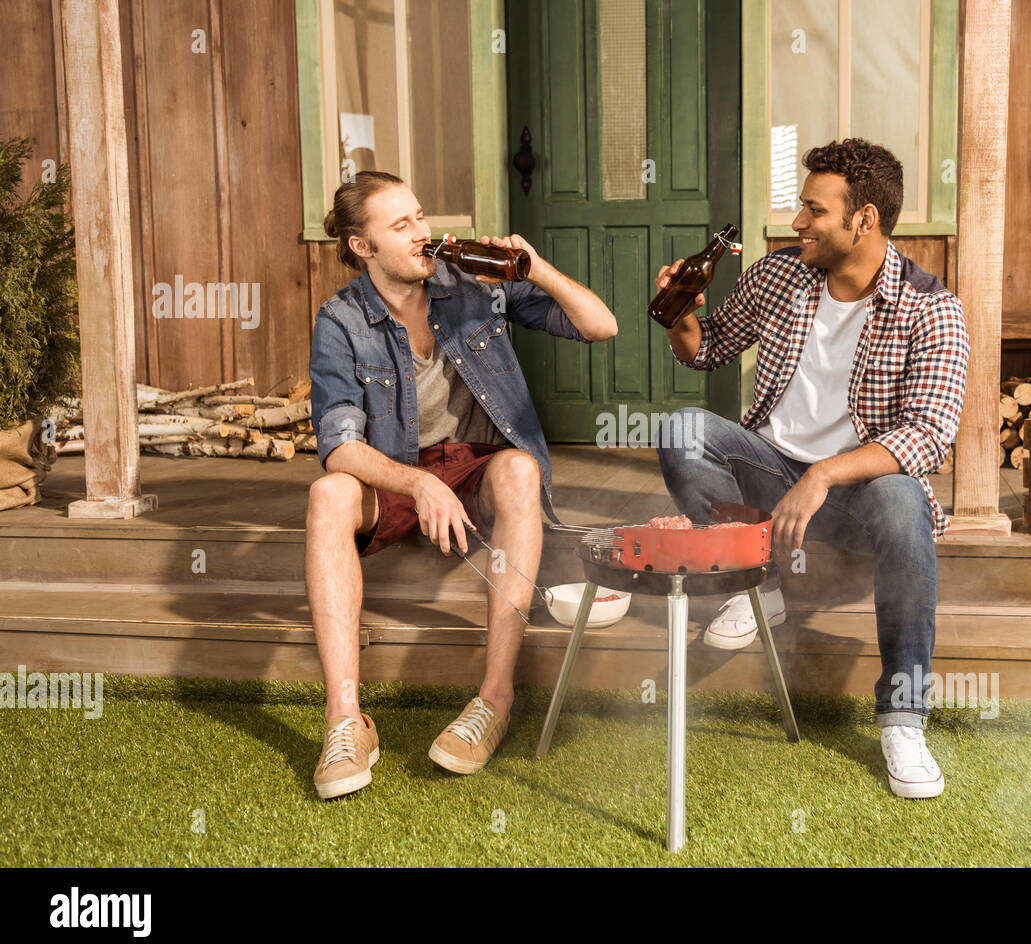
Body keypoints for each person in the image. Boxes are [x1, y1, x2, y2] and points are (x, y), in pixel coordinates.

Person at [654, 139, 969, 799]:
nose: (797, 222)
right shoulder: (778, 276)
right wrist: (680, 313)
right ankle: (756, 587)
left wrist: (823, 473)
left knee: (903, 500)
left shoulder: (930, 307)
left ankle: (903, 717)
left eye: (813, 210)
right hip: (769, 470)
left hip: (858, 495)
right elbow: (708, 350)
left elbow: (929, 435)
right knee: (682, 429)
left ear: (865, 221)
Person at [306, 171, 617, 798]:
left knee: (521, 468)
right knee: (327, 494)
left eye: (420, 216)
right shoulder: (341, 320)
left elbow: (599, 325)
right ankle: (346, 719)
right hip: (398, 471)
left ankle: (494, 700)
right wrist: (418, 484)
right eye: (401, 226)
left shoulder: (473, 284)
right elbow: (340, 446)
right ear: (363, 247)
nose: (424, 233)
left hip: (478, 470)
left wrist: (535, 268)